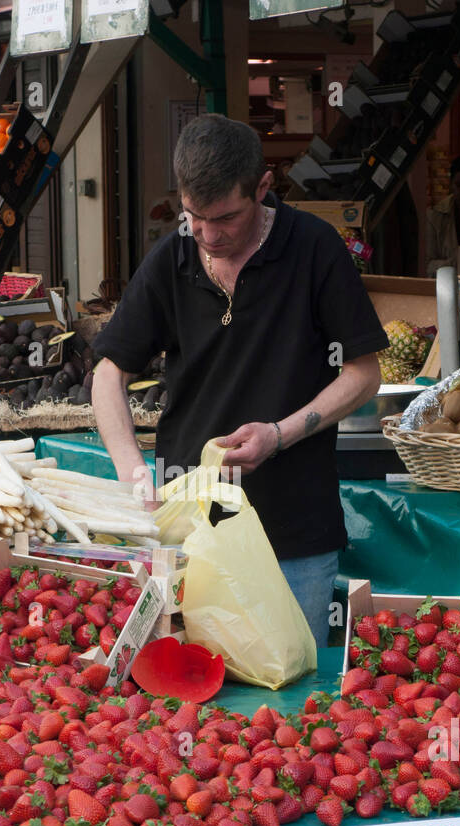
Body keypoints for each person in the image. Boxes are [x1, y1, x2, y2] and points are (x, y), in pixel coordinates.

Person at [93, 114, 385, 646]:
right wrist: (132, 471)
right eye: (193, 217)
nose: (208, 235)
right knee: (193, 705)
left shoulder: (315, 249)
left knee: (293, 702)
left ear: (263, 188)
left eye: (225, 217)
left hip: (294, 533)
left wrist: (281, 433)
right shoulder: (172, 257)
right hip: (193, 536)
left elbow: (364, 373)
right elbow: (109, 372)